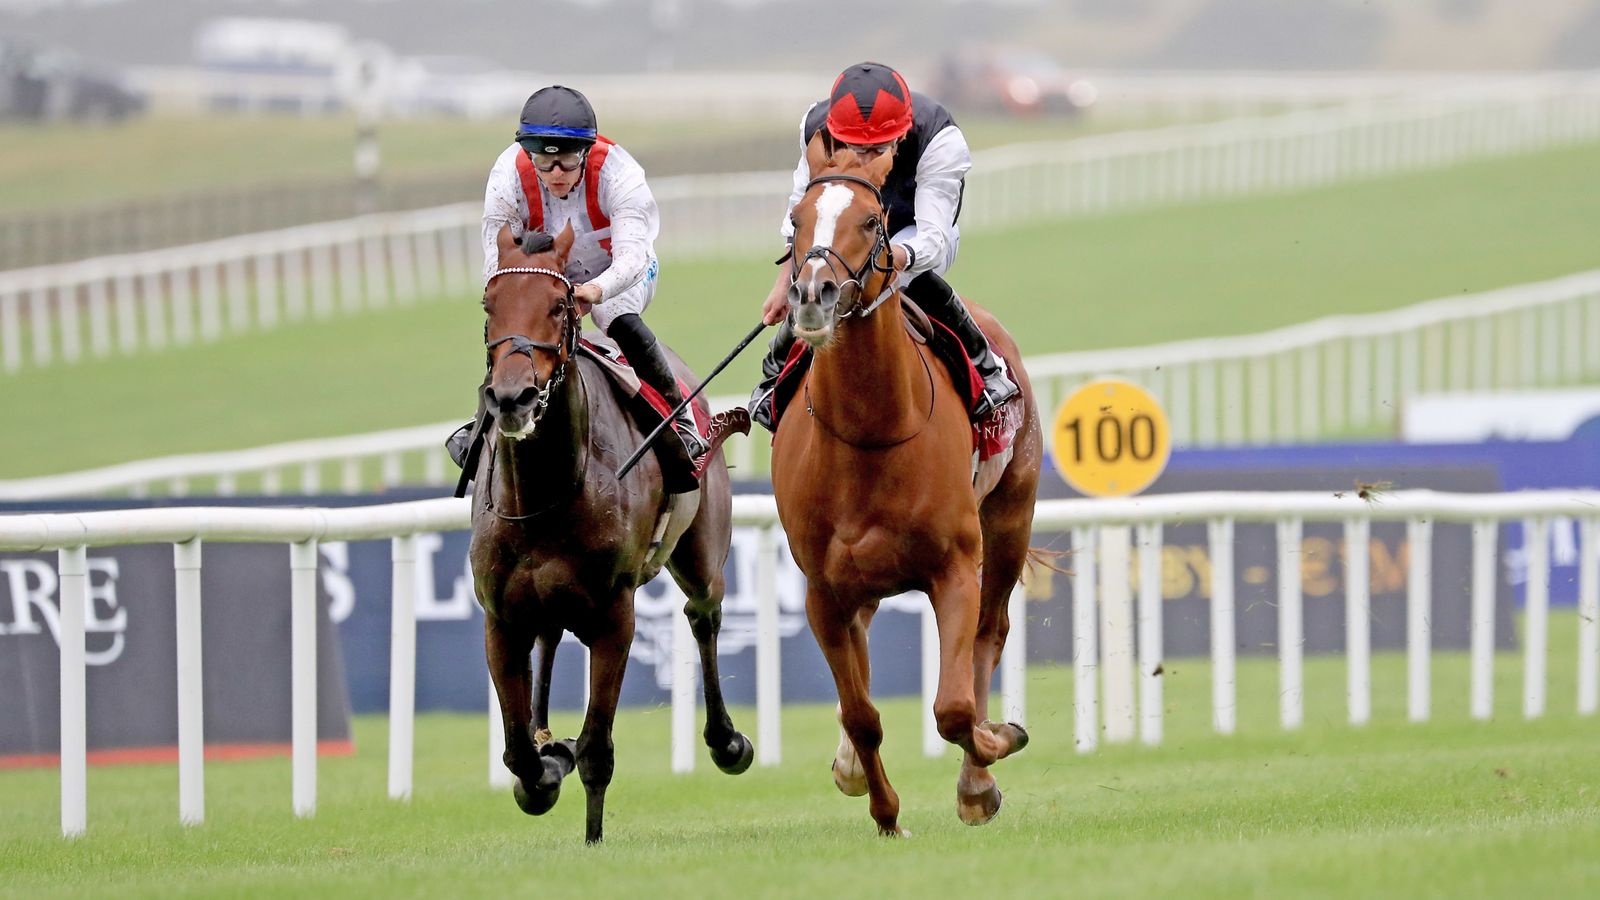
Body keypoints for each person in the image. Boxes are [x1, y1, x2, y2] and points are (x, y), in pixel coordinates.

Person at [447, 84, 708, 471]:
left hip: (617, 274)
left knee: (615, 318)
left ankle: (678, 415)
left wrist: (595, 291)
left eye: (567, 162)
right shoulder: (508, 175)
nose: (555, 173)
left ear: (586, 151)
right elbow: (496, 260)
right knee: (512, 319)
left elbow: (632, 258)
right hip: (544, 272)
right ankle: (482, 420)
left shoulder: (620, 175)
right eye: (544, 162)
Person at [749, 61, 1019, 431]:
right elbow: (803, 206)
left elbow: (933, 239)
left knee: (898, 279)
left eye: (875, 149)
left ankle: (985, 366)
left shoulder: (939, 139)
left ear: (902, 131)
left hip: (914, 234)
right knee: (818, 275)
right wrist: (784, 281)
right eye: (852, 147)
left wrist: (886, 259)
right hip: (848, 232)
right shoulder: (816, 127)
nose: (862, 160)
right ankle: (773, 375)